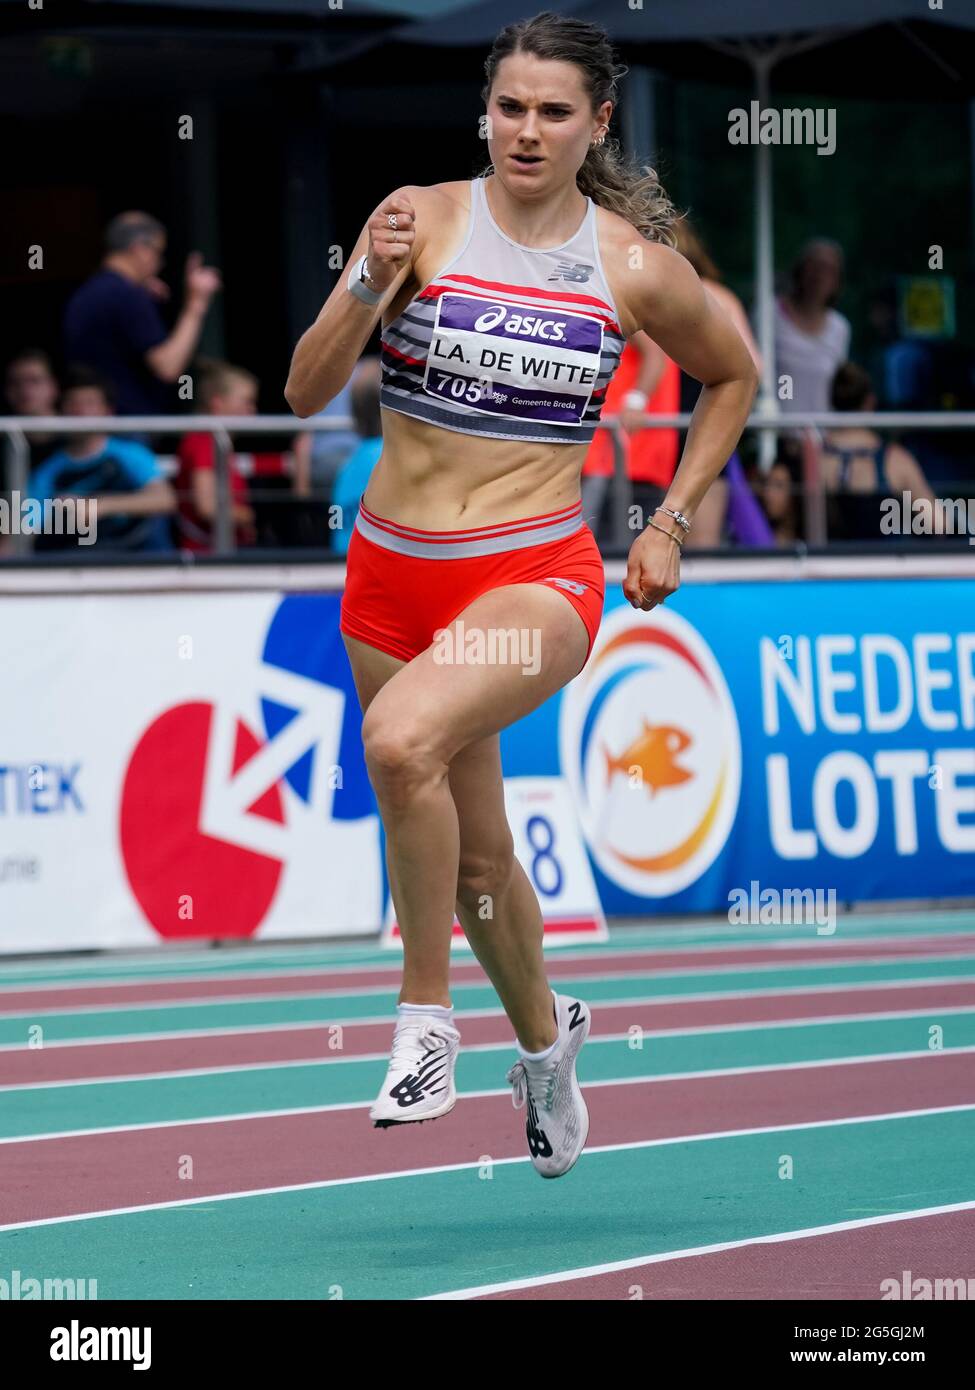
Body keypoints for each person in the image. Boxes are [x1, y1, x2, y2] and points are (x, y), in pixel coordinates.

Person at [285, 12, 757, 1178]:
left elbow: (736, 373)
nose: (527, 131)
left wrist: (671, 518)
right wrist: (365, 279)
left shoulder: (633, 266)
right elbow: (302, 391)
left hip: (535, 574)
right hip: (390, 573)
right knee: (484, 862)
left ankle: (423, 1019)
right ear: (483, 112)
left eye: (554, 111)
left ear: (598, 123)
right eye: (509, 108)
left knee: (398, 745)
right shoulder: (419, 219)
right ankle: (548, 1047)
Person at [63, 211, 221, 416]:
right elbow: (168, 366)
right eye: (158, 252)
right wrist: (196, 304)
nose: (159, 263)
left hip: (95, 425)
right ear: (140, 249)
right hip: (128, 428)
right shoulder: (127, 296)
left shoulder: (86, 294)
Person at [675, 218, 772, 549]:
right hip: (703, 426)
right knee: (701, 544)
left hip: (657, 431)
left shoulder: (642, 291)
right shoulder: (720, 297)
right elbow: (753, 367)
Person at [27, 367, 176, 552]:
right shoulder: (49, 469)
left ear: (108, 411)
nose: (80, 411)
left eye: (89, 403)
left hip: (139, 561)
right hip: (76, 567)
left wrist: (99, 506)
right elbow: (26, 529)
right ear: (62, 410)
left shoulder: (129, 453)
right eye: (73, 403)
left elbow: (164, 499)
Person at [820, 361, 944, 542]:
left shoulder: (813, 459)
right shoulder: (895, 460)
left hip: (824, 565)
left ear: (831, 402)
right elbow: (938, 524)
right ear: (870, 402)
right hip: (883, 564)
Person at [580, 333, 680, 547]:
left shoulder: (629, 307)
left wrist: (636, 400)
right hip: (624, 460)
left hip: (624, 460)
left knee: (614, 550)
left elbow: (654, 354)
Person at [174, 360, 259, 552]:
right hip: (209, 558)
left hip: (220, 554)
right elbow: (208, 507)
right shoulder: (204, 442)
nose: (252, 410)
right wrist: (247, 516)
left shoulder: (213, 440)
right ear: (218, 403)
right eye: (246, 401)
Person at [774, 238, 851, 418]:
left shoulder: (840, 328)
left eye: (829, 269)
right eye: (814, 266)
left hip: (821, 437)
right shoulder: (770, 315)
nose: (820, 275)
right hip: (774, 434)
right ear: (800, 270)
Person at [331, 358, 383, 555]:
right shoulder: (391, 459)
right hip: (374, 570)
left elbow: (335, 524)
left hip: (344, 568)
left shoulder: (346, 466)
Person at [3, 349, 61, 472]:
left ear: (53, 387)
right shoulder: (3, 442)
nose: (24, 389)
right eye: (15, 383)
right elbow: (14, 492)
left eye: (34, 380)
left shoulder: (77, 438)